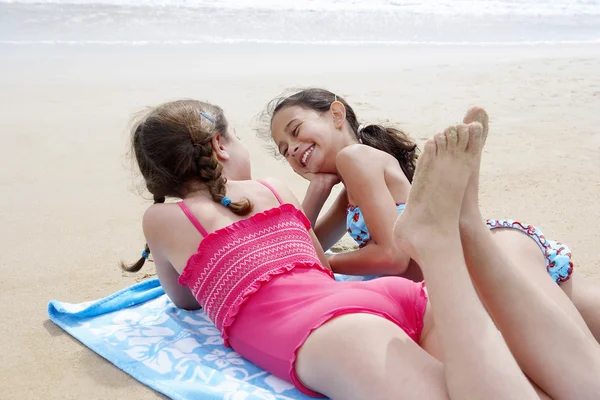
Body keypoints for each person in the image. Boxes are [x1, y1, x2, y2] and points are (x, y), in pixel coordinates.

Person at [123, 99, 600, 399]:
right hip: (387, 296)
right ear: (219, 146)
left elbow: (184, 299)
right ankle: (453, 238)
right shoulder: (271, 189)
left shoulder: (162, 218)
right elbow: (315, 261)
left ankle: (439, 247)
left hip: (328, 328)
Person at [266, 88, 600, 341]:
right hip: (475, 268)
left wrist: (331, 263)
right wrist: (318, 189)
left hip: (484, 263)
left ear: (336, 115)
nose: (292, 148)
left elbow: (392, 256)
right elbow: (301, 245)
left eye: (296, 132)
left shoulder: (356, 159)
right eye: (284, 150)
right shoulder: (348, 186)